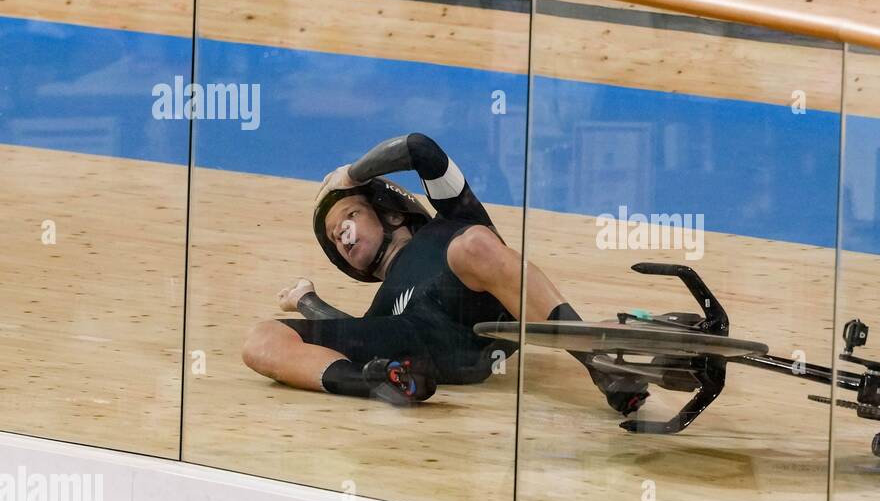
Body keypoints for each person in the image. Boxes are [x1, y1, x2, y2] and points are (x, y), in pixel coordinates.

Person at [240, 131, 650, 413]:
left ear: (390, 210)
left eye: (349, 215)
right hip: (421, 350)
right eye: (334, 237)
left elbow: (420, 148)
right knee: (261, 338)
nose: (342, 236)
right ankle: (377, 382)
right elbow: (350, 332)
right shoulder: (380, 307)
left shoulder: (451, 218)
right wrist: (308, 303)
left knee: (474, 242)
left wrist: (352, 175)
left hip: (481, 308)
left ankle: (600, 367)